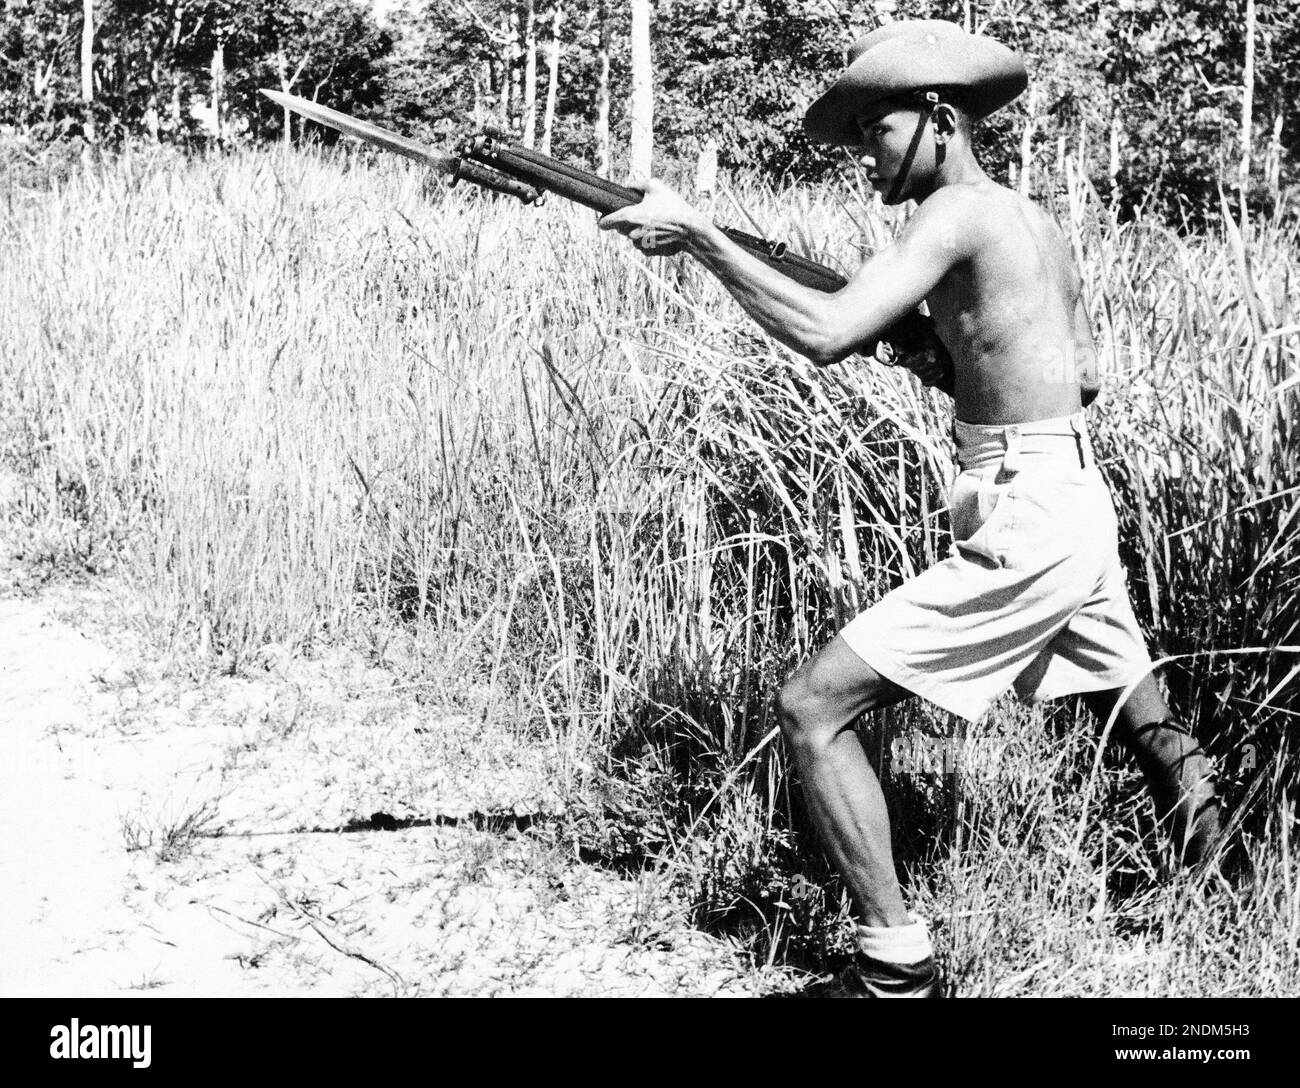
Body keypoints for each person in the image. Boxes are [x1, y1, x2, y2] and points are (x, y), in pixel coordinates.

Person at [598, 18, 1221, 998]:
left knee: (810, 707)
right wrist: (943, 352)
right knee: (1142, 717)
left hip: (1022, 506)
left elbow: (826, 332)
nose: (865, 153)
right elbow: (1082, 376)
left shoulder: (952, 213)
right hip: (1068, 487)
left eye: (876, 130)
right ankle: (1229, 896)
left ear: (939, 118)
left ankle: (895, 965)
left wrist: (702, 238)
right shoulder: (1029, 219)